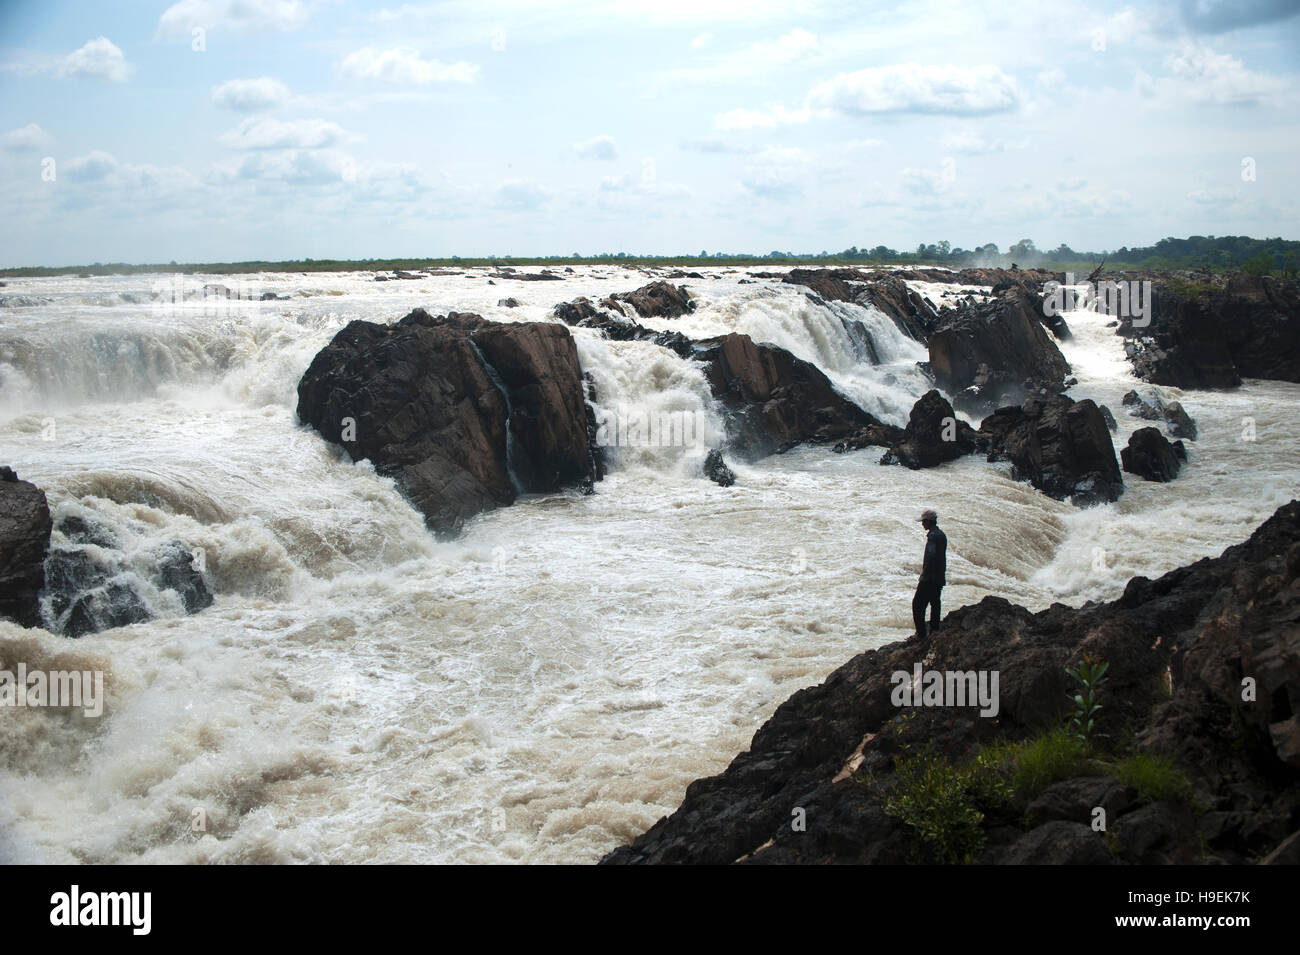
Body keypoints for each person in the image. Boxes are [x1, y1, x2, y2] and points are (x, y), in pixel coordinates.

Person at [912, 508, 946, 637]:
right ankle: (934, 630)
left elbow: (931, 556)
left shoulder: (932, 536)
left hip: (929, 578)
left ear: (928, 522)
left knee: (917, 605)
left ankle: (921, 635)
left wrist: (924, 575)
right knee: (935, 603)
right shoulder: (941, 535)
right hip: (939, 577)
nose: (922, 524)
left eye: (923, 522)